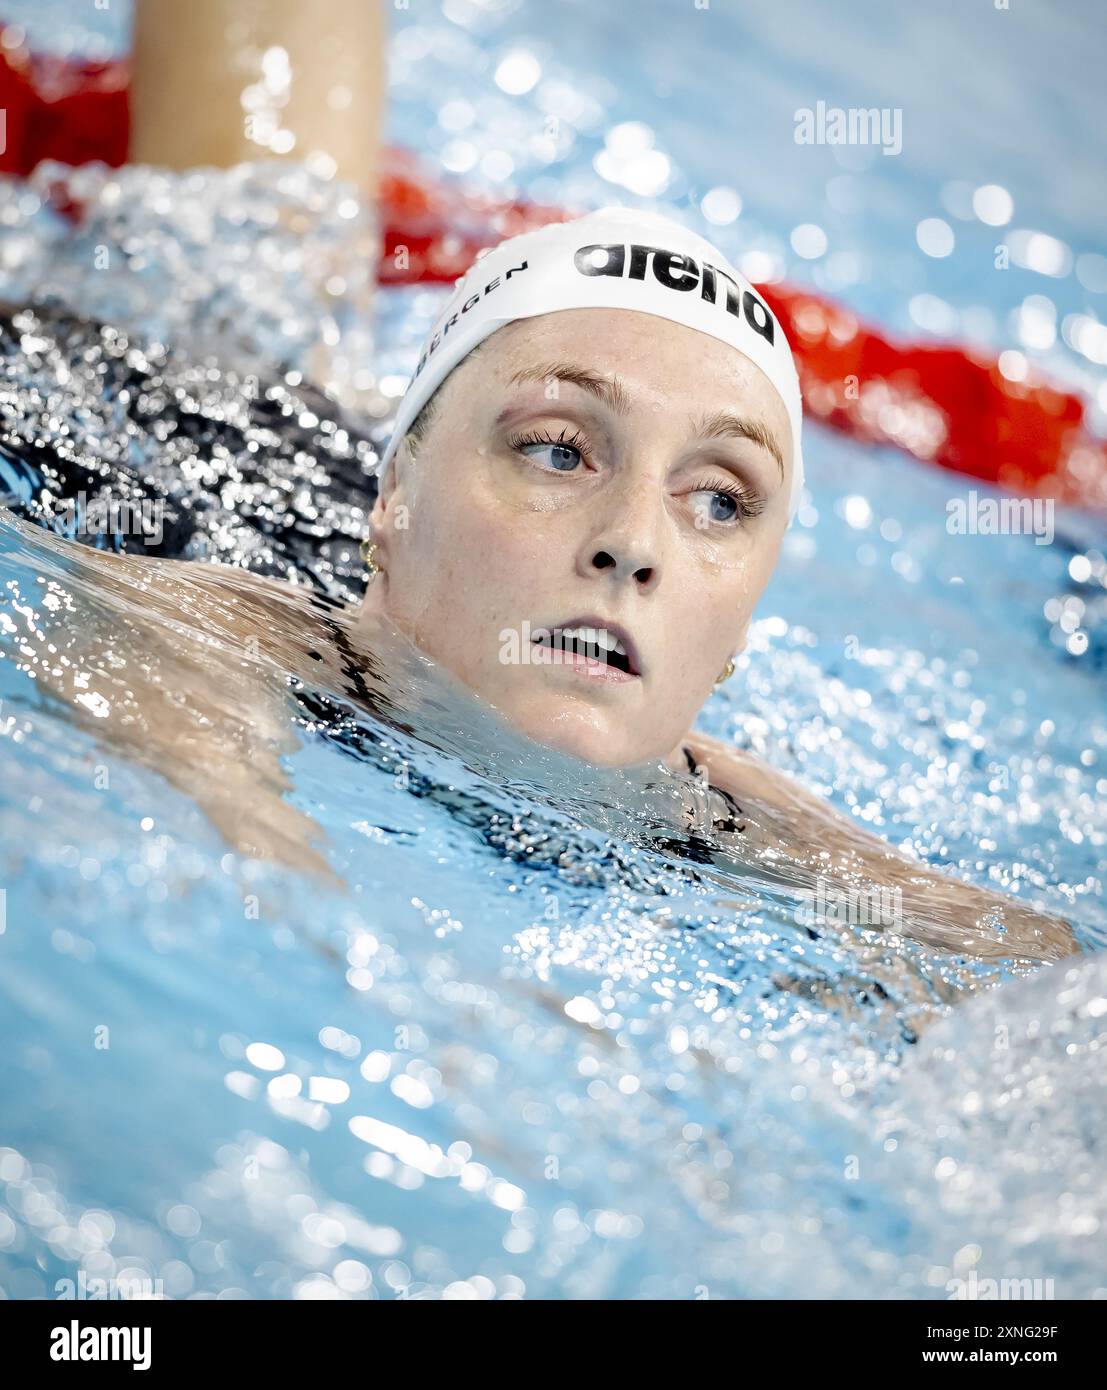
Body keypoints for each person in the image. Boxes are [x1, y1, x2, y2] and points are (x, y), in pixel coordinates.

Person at [0, 9, 1077, 965]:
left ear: (745, 625)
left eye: (719, 500)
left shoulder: (734, 812)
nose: (634, 544)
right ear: (393, 499)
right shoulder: (206, 629)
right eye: (560, 450)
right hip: (142, 408)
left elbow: (1033, 977)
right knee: (245, 242)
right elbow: (248, 912)